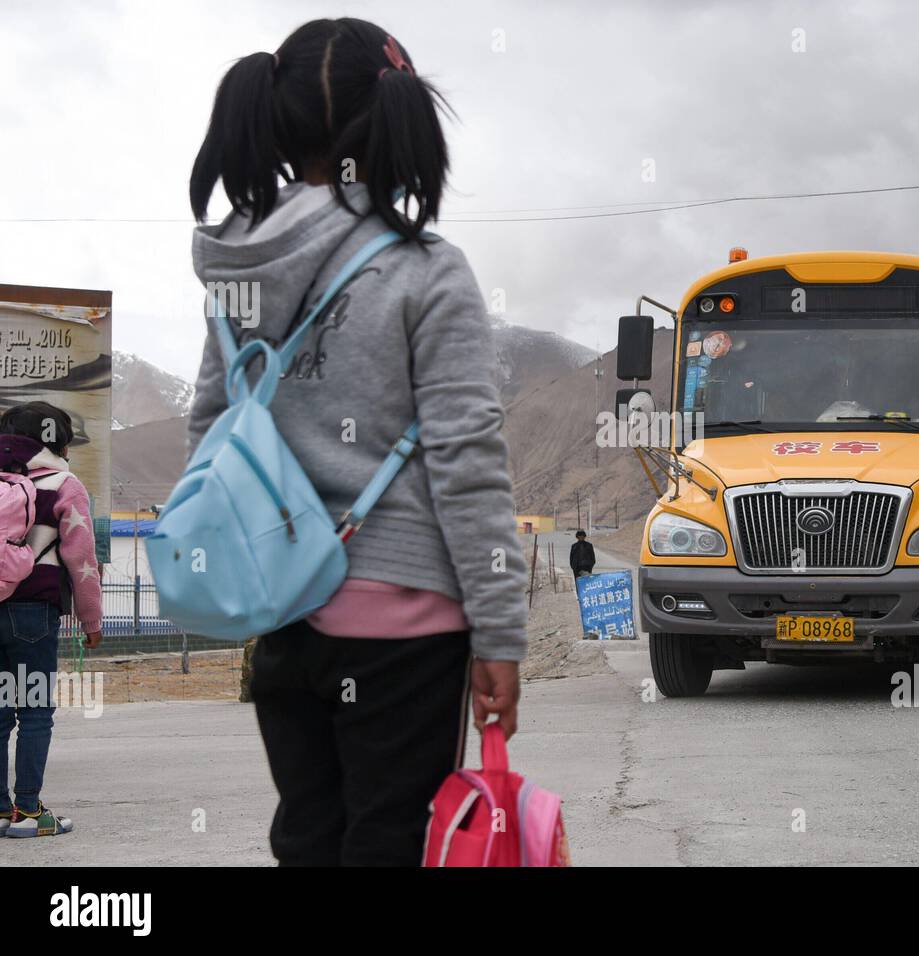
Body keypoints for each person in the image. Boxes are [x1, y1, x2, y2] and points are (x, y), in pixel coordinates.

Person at [187, 18, 528, 866]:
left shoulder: (236, 267)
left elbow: (209, 432)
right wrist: (499, 635)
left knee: (308, 836)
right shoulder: (426, 270)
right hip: (402, 627)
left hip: (283, 617)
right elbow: (466, 463)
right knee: (390, 843)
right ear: (398, 119)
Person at [0, 401, 102, 838]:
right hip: (34, 614)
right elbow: (81, 558)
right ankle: (28, 812)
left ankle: (1, 811)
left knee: (0, 713)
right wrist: (91, 619)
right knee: (36, 711)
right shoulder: (64, 482)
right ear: (57, 442)